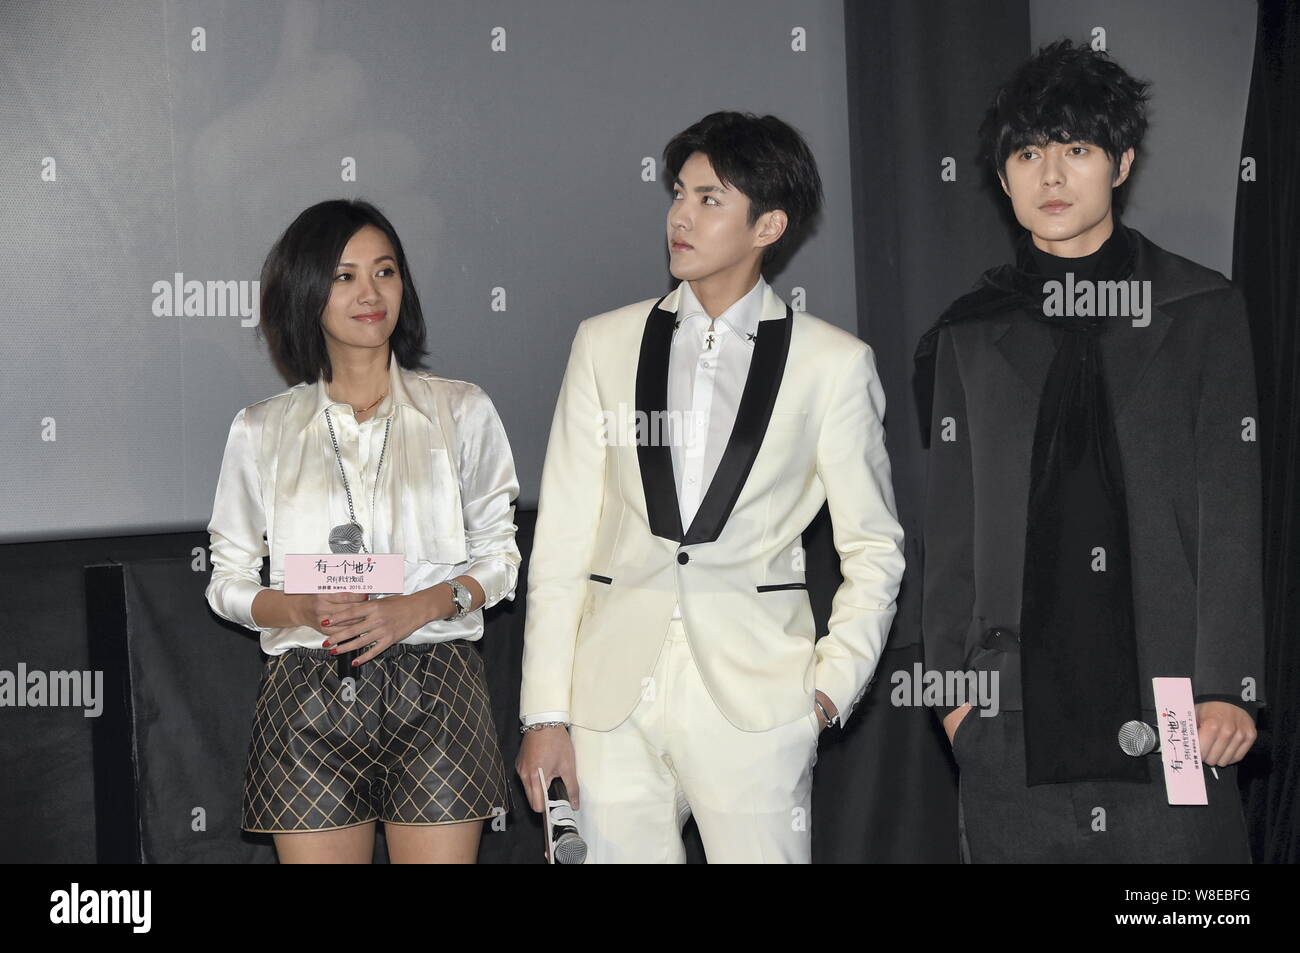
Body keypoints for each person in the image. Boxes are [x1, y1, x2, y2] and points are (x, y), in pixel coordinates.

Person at [516, 111, 906, 863]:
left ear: (769, 226)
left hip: (758, 701)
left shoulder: (833, 364)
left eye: (709, 199)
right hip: (607, 699)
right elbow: (562, 536)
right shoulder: (605, 342)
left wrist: (827, 690)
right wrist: (546, 710)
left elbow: (875, 546)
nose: (680, 216)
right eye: (678, 194)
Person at [914, 39, 1265, 862]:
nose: (1052, 175)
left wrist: (1226, 686)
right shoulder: (969, 332)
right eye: (1028, 153)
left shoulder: (1202, 309)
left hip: (1174, 702)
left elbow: (1232, 510)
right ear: (1003, 179)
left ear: (1122, 161)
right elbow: (950, 535)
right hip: (1010, 720)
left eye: (1076, 149)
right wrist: (956, 704)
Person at [205, 199, 521, 863]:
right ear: (307, 292)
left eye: (385, 271)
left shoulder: (461, 410)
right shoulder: (260, 428)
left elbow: (500, 560)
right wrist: (297, 606)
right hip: (308, 682)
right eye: (344, 276)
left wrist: (421, 605)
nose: (370, 292)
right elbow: (228, 579)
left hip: (438, 681)